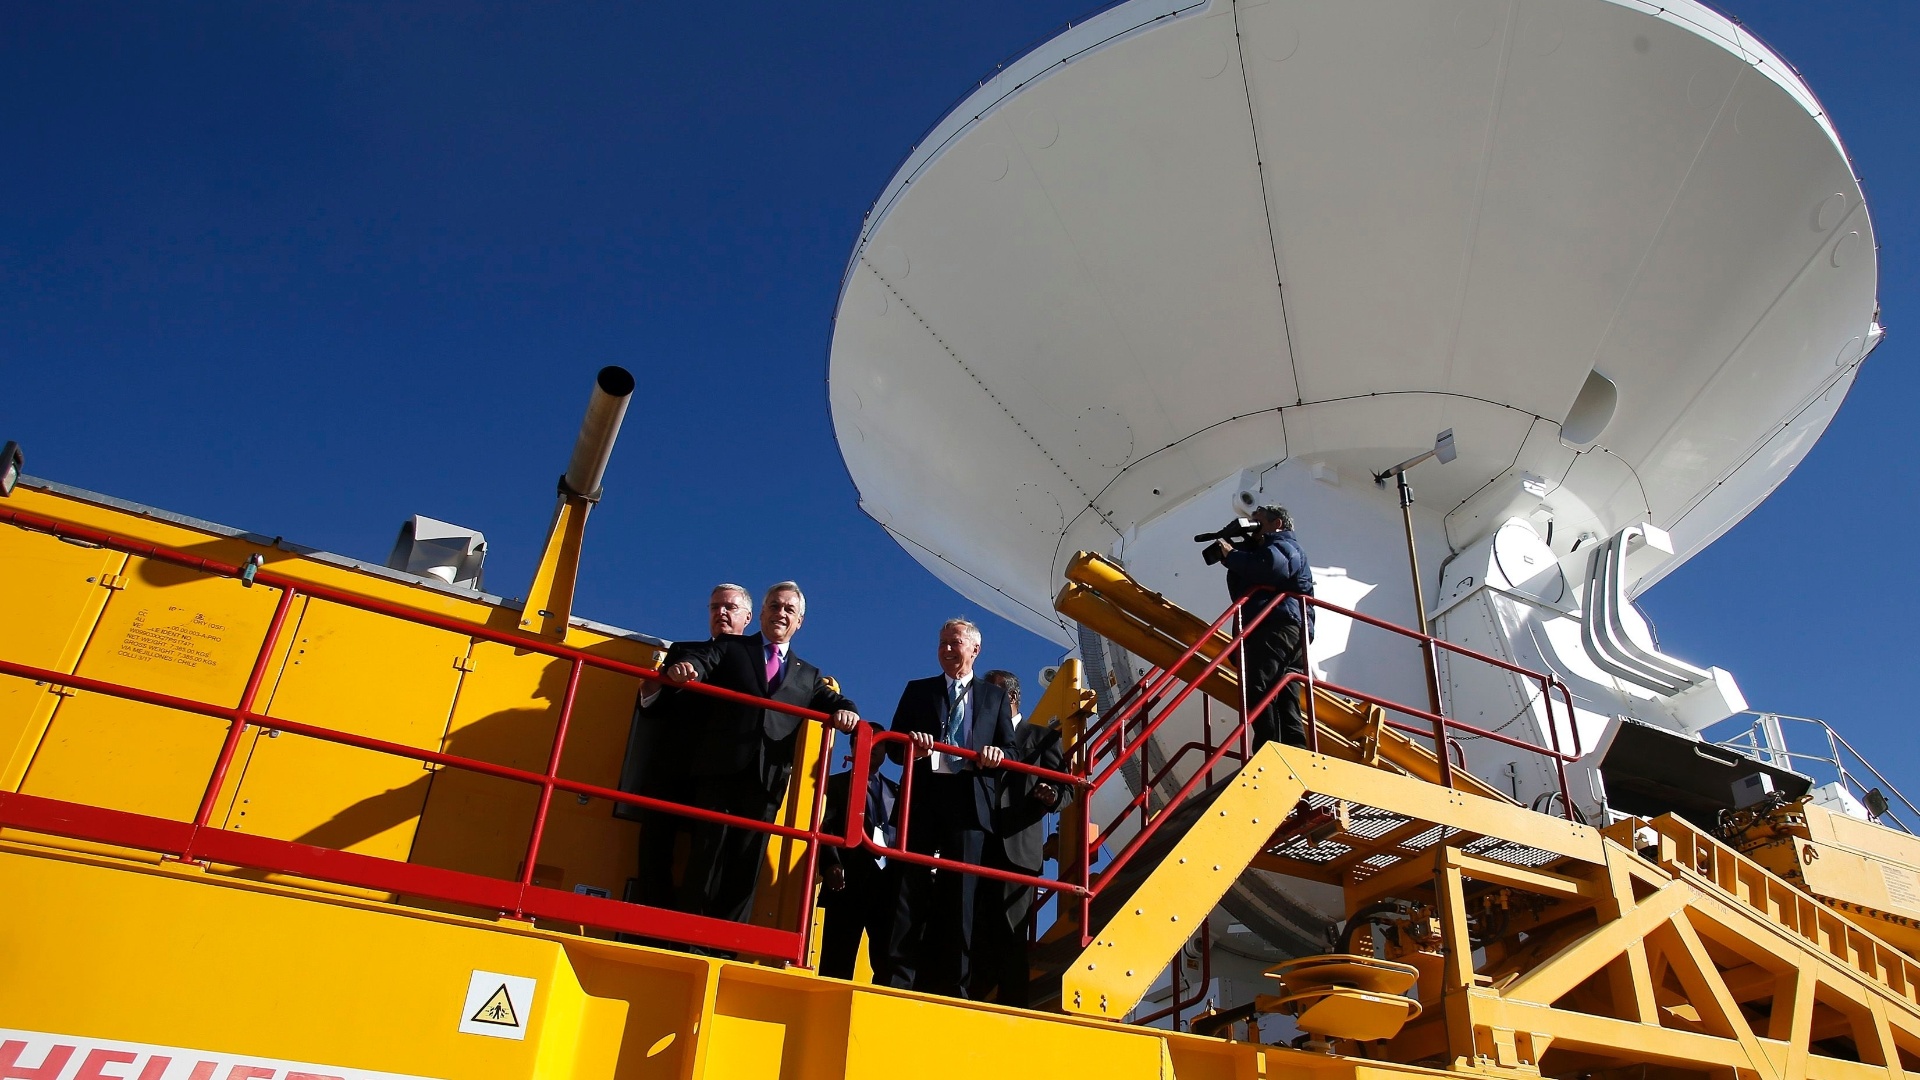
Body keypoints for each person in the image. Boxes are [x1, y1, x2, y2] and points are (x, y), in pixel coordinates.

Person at [659, 581, 862, 925]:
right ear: (762, 612)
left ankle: (724, 943)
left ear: (799, 622)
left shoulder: (808, 674)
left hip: (767, 780)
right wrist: (687, 668)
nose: (780, 613)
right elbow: (703, 659)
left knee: (746, 864)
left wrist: (848, 710)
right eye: (774, 606)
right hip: (721, 769)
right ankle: (686, 935)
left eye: (789, 609)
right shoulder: (732, 647)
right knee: (706, 855)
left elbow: (836, 702)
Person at [883, 618, 1013, 997]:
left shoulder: (994, 697)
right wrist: (912, 745)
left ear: (974, 650)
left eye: (954, 643)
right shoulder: (917, 691)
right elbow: (893, 748)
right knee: (908, 888)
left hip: (969, 803)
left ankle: (955, 986)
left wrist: (998, 753)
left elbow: (1013, 749)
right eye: (941, 643)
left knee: (962, 897)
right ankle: (896, 979)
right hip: (923, 798)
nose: (946, 649)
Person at [615, 583, 755, 911]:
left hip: (724, 779)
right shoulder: (683, 652)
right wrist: (652, 688)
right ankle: (651, 925)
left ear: (747, 617)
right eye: (714, 607)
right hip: (674, 769)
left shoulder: (760, 664)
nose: (721, 612)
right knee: (653, 849)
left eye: (730, 607)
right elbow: (654, 709)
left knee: (712, 858)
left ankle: (693, 931)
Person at [972, 669, 1072, 1006]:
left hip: (1018, 850)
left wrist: (1050, 795)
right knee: (972, 933)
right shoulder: (972, 737)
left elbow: (1066, 788)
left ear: (1012, 698)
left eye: (991, 695)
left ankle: (1011, 1011)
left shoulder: (1043, 739)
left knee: (1012, 938)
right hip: (975, 845)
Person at [1209, 504, 1315, 750]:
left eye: (1257, 522)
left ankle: (1270, 749)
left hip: (1276, 626)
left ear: (1277, 523)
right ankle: (1293, 751)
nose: (1253, 528)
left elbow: (1272, 567)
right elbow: (1242, 587)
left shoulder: (1285, 545)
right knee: (1284, 695)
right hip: (1281, 628)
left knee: (1261, 688)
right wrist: (1239, 553)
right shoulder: (1265, 550)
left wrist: (1234, 556)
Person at [816, 735, 900, 982]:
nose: (873, 746)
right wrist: (831, 863)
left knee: (888, 962)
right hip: (846, 882)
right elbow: (826, 826)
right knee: (836, 961)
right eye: (867, 740)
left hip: (885, 886)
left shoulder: (897, 790)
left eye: (880, 743)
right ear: (853, 747)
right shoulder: (835, 784)